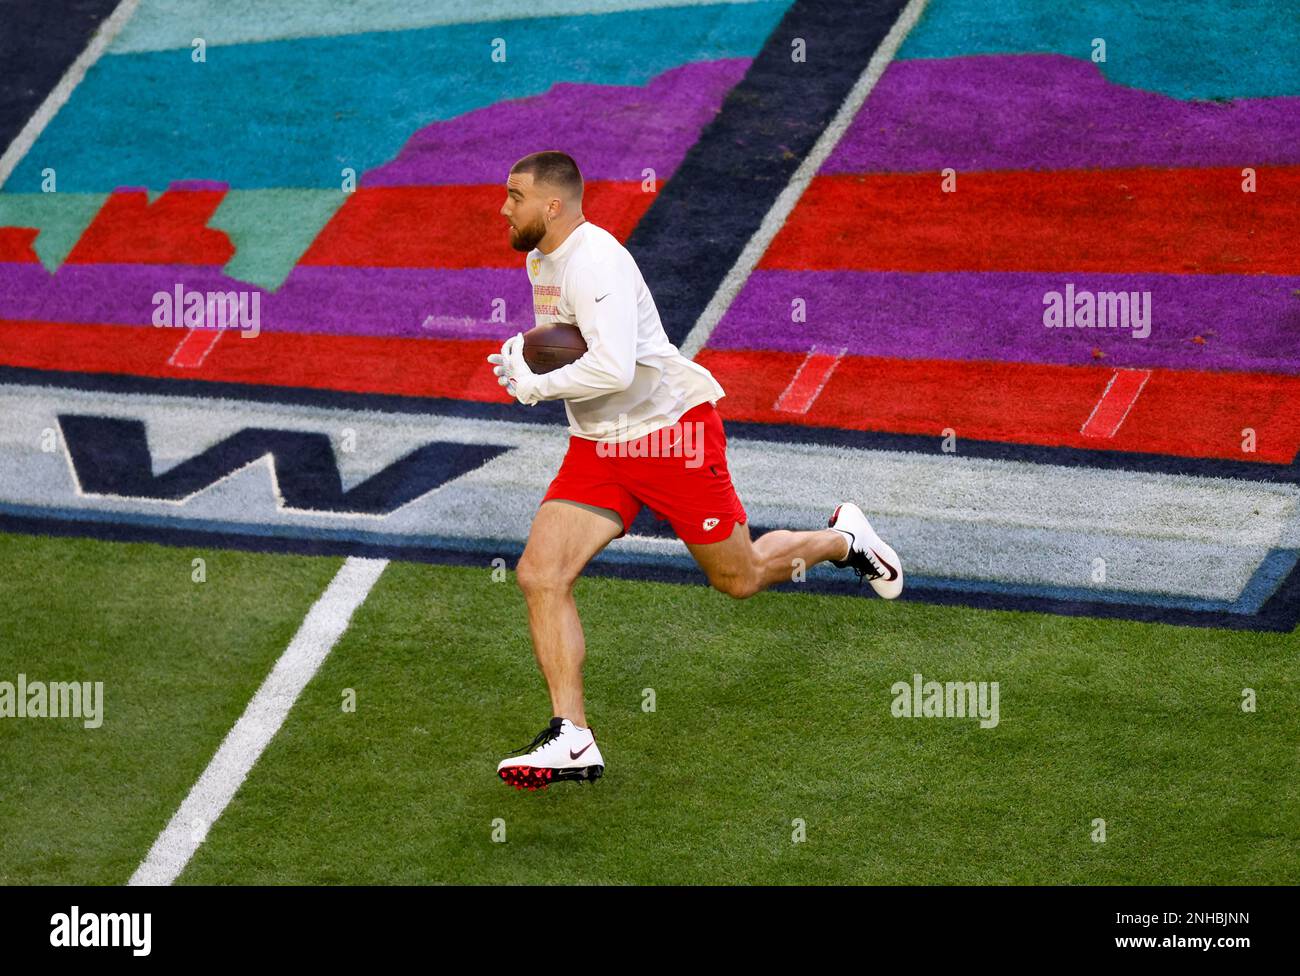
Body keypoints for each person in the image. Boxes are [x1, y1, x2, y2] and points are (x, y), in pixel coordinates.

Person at [487, 151, 902, 791]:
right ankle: (572, 735)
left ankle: (847, 541)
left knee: (739, 578)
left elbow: (615, 367)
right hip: (599, 444)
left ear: (552, 204)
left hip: (669, 439)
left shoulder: (595, 260)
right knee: (540, 574)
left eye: (515, 196)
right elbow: (573, 338)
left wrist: (535, 385)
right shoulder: (540, 256)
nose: (503, 206)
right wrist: (529, 351)